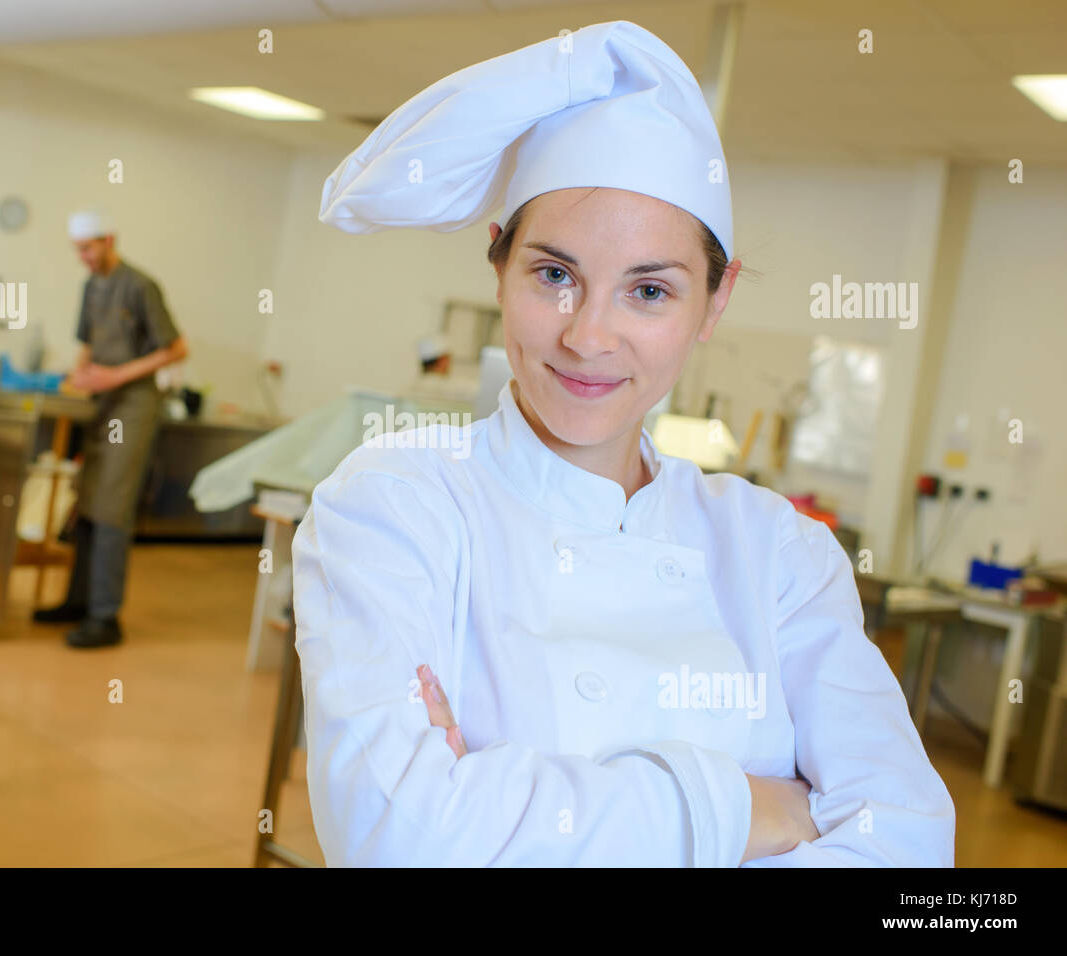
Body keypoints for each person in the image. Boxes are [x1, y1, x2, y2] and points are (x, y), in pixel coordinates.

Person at [291, 21, 955, 866]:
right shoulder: (392, 504)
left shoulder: (780, 553)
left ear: (715, 302)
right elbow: (399, 838)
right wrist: (752, 810)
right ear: (497, 264)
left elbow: (912, 848)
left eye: (649, 290)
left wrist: (495, 813)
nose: (589, 336)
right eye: (555, 275)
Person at [34, 210, 188, 648]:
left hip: (135, 405)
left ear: (109, 240)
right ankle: (78, 602)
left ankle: (106, 617)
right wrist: (78, 376)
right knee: (86, 502)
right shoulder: (91, 286)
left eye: (88, 248)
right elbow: (88, 343)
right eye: (77, 250)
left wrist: (114, 378)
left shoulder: (140, 285)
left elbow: (176, 349)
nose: (83, 257)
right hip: (100, 403)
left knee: (112, 507)